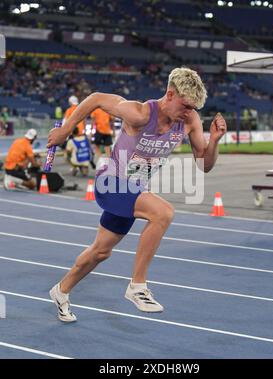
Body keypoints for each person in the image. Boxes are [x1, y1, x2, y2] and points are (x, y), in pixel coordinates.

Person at [47, 67, 227, 322]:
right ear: (170, 94)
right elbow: (97, 98)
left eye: (194, 108)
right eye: (186, 106)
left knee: (100, 252)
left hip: (133, 191)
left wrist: (215, 141)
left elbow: (204, 165)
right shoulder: (140, 113)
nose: (189, 112)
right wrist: (66, 130)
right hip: (111, 183)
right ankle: (137, 286)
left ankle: (61, 291)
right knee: (163, 213)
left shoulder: (190, 120)